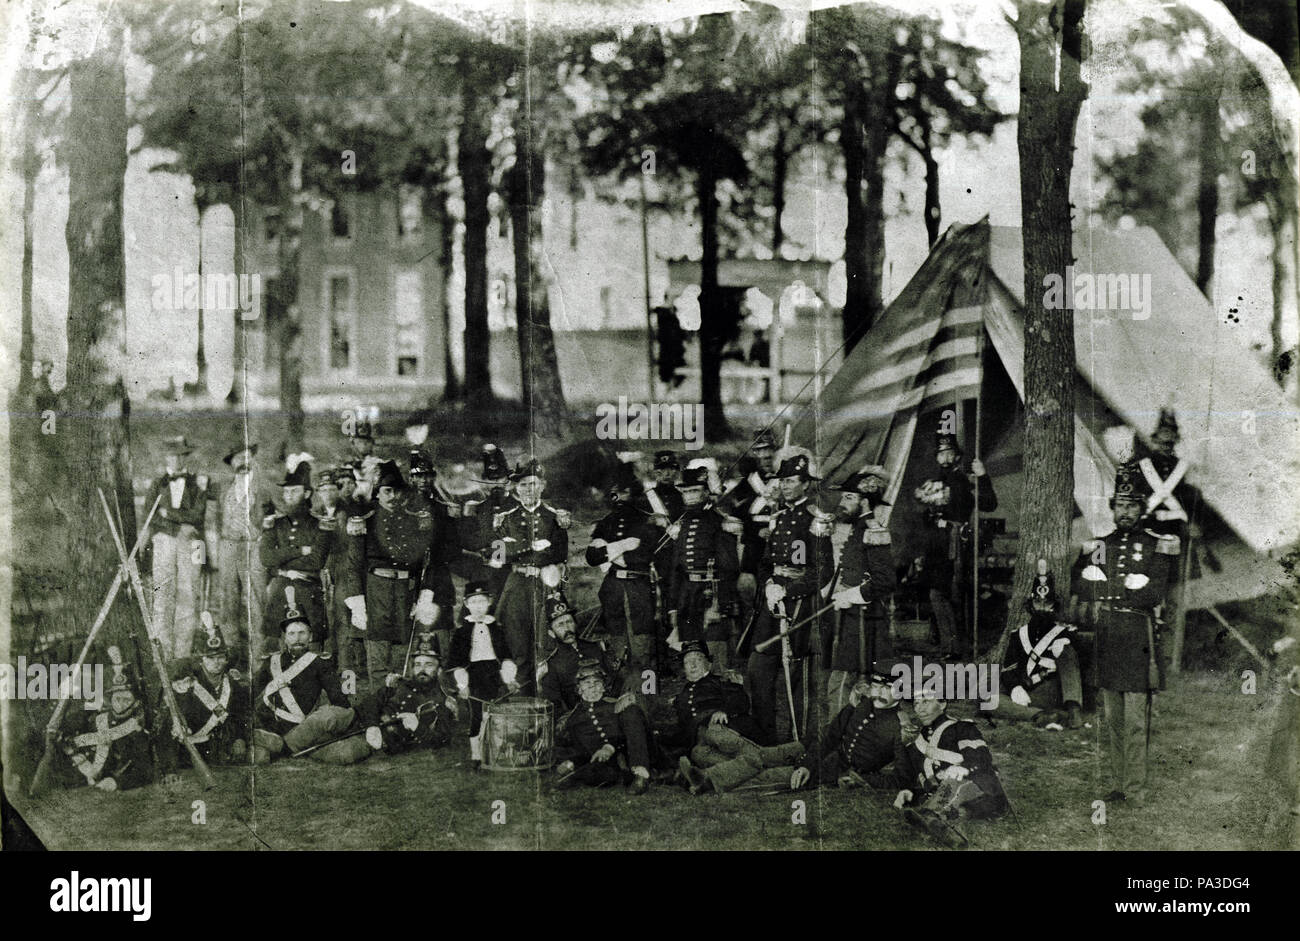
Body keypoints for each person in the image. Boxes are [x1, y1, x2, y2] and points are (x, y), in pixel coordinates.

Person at [1074, 460, 1176, 805]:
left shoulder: (1155, 545)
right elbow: (1080, 583)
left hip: (1136, 637)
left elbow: (1154, 593)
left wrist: (1110, 586)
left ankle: (1135, 789)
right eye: (1120, 505)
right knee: (1113, 719)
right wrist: (1104, 586)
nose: (1126, 511)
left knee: (1134, 720)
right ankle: (1119, 784)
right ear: (1113, 508)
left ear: (1142, 509)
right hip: (1108, 636)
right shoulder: (1102, 544)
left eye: (1132, 505)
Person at [746, 450, 834, 744]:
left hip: (801, 605)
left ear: (806, 484)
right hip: (773, 602)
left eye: (792, 480)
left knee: (799, 677)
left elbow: (823, 570)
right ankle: (766, 739)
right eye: (782, 480)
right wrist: (770, 583)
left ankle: (802, 744)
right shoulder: (779, 516)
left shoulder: (815, 518)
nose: (784, 485)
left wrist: (789, 590)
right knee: (758, 668)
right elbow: (766, 561)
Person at [340, 460, 453, 690]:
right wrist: (358, 605)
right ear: (377, 494)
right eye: (387, 491)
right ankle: (380, 710)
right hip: (376, 593)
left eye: (397, 491)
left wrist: (424, 598)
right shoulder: (365, 524)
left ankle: (403, 709)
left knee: (404, 658)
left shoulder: (416, 524)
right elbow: (352, 566)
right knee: (378, 657)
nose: (393, 496)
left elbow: (427, 564)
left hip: (405, 593)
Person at [306, 632, 455, 764]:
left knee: (346, 753)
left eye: (429, 664)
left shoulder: (443, 700)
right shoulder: (400, 684)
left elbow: (442, 739)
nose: (422, 669)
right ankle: (293, 745)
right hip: (358, 719)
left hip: (380, 741)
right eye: (418, 664)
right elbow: (372, 702)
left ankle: (308, 752)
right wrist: (372, 725)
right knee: (325, 718)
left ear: (439, 668)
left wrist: (417, 727)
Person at [912, 428, 997, 657]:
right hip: (936, 545)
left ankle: (954, 647)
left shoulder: (966, 480)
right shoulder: (933, 483)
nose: (945, 458)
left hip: (956, 543)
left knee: (952, 594)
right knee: (935, 592)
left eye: (950, 453)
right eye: (941, 454)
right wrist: (929, 518)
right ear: (936, 457)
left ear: (957, 456)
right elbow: (926, 514)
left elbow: (989, 504)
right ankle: (946, 644)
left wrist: (982, 476)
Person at [892, 690, 1009, 848]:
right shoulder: (919, 741)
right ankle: (943, 826)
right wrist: (907, 791)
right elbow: (915, 773)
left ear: (942, 703)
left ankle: (931, 816)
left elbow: (981, 757)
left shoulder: (962, 728)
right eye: (916, 704)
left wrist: (963, 768)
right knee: (958, 806)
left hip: (982, 790)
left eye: (926, 701)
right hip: (945, 795)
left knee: (956, 783)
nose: (920, 708)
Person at [492, 459, 569, 692]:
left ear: (543, 485)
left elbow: (559, 553)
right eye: (523, 485)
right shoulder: (506, 517)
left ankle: (549, 699)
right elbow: (498, 555)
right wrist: (531, 546)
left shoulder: (555, 517)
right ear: (516, 488)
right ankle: (522, 701)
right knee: (519, 645)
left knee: (547, 643)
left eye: (533, 484)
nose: (528, 489)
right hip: (517, 586)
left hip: (546, 584)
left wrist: (515, 545)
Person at [251, 595, 355, 763]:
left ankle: (278, 746)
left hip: (298, 727)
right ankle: (268, 743)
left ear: (310, 636)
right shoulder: (272, 661)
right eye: (291, 633)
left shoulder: (320, 663)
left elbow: (339, 701)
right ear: (285, 637)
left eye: (302, 633)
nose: (297, 638)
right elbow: (251, 691)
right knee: (260, 757)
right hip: (266, 724)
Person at [827, 465, 896, 715]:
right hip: (854, 617)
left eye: (849, 497)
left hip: (867, 621)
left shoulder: (872, 530)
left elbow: (885, 580)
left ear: (865, 502)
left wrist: (852, 595)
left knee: (845, 682)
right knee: (851, 683)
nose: (842, 502)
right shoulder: (858, 527)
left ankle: (839, 737)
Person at [585, 462, 663, 679]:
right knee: (616, 639)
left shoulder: (645, 520)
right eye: (614, 492)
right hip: (612, 587)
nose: (618, 496)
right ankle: (620, 684)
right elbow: (591, 557)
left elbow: (644, 555)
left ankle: (646, 690)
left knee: (642, 643)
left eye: (623, 491)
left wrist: (608, 552)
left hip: (638, 585)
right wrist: (620, 547)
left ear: (632, 492)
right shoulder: (606, 522)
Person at [258, 458, 341, 659]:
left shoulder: (320, 525)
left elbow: (316, 562)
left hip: (308, 589)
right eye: (286, 492)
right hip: (280, 588)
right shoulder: (274, 524)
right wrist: (300, 550)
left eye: (293, 491)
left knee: (312, 651)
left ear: (306, 493)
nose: (288, 496)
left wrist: (285, 560)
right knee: (277, 650)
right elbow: (266, 558)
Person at [1135, 409, 1199, 655]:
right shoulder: (1142, 467)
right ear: (1154, 440)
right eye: (1162, 442)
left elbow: (1188, 499)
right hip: (1148, 532)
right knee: (1146, 586)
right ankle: (1145, 640)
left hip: (1174, 535)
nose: (1166, 446)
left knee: (1171, 589)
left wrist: (1190, 522)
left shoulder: (1181, 469)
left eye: (1170, 442)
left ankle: (1166, 647)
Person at [994, 559, 1083, 729]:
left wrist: (1067, 647)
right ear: (1031, 605)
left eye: (1047, 603)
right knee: (988, 699)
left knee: (1068, 652)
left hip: (1050, 691)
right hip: (1024, 690)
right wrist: (1015, 688)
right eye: (1038, 603)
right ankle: (1040, 716)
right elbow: (1008, 668)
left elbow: (1079, 667)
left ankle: (1071, 710)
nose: (1042, 608)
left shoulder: (1066, 633)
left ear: (1053, 606)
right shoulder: (1018, 634)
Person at [666, 466, 740, 669]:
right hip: (688, 598)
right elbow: (677, 570)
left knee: (715, 658)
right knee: (691, 657)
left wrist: (720, 606)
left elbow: (729, 570)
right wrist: (673, 606)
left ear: (706, 492)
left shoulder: (720, 523)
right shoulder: (683, 525)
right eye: (686, 492)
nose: (689, 497)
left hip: (711, 598)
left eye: (694, 491)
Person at [56, 646, 153, 792]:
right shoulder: (98, 719)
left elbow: (144, 769)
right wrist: (77, 757)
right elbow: (71, 743)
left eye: (127, 698)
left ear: (136, 702)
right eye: (116, 698)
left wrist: (116, 781)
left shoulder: (136, 727)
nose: (120, 703)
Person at [147, 435, 208, 659]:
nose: (176, 460)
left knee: (189, 595)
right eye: (172, 455)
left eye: (181, 455)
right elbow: (150, 516)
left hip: (192, 543)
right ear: (166, 457)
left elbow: (198, 514)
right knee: (162, 595)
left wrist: (170, 515)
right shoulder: (158, 483)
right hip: (164, 541)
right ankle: (163, 655)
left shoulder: (198, 483)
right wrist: (179, 525)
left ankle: (182, 656)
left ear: (186, 457)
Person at [162, 612, 250, 769]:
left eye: (220, 657)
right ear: (201, 659)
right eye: (210, 658)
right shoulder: (186, 685)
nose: (216, 662)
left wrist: (239, 739)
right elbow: (170, 723)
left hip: (217, 748)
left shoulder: (232, 684)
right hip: (186, 751)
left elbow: (240, 716)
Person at [553, 660, 654, 795]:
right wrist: (571, 763)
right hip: (606, 763)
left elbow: (633, 732)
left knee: (632, 711)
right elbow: (578, 748)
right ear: (579, 688)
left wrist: (609, 747)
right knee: (599, 774)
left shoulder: (617, 705)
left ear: (603, 687)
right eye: (587, 683)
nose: (592, 687)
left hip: (632, 754)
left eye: (597, 683)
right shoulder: (573, 718)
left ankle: (641, 774)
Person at [448, 582, 518, 765]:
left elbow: (505, 656)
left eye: (482, 601)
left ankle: (498, 750)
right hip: (474, 675)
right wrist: (462, 685)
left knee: (497, 711)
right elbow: (457, 663)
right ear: (466, 604)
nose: (478, 606)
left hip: (494, 674)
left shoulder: (497, 628)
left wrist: (509, 679)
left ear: (489, 603)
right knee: (477, 714)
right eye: (474, 602)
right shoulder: (461, 632)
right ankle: (476, 755)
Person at [657, 641, 760, 758]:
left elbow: (741, 701)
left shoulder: (720, 681)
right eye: (687, 661)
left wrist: (724, 711)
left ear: (709, 664)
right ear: (684, 668)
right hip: (702, 742)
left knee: (716, 739)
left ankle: (763, 756)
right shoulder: (684, 692)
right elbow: (684, 728)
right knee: (700, 756)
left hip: (724, 730)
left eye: (698, 659)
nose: (693, 665)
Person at [215, 441, 269, 659]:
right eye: (238, 458)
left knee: (255, 598)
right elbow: (215, 519)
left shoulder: (262, 488)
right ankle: (231, 653)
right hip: (228, 546)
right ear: (232, 463)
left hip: (252, 546)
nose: (243, 462)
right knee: (228, 600)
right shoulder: (224, 488)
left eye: (247, 457)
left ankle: (259, 654)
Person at [457, 443, 516, 597]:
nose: (495, 484)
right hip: (483, 579)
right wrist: (467, 518)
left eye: (500, 479)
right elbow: (467, 542)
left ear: (508, 481)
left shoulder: (518, 507)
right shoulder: (476, 509)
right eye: (490, 480)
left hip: (512, 576)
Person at [538, 594, 614, 711]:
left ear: (575, 624)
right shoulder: (552, 664)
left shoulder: (596, 647)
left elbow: (611, 681)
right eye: (560, 625)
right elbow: (555, 703)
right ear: (551, 633)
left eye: (569, 622)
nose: (567, 628)